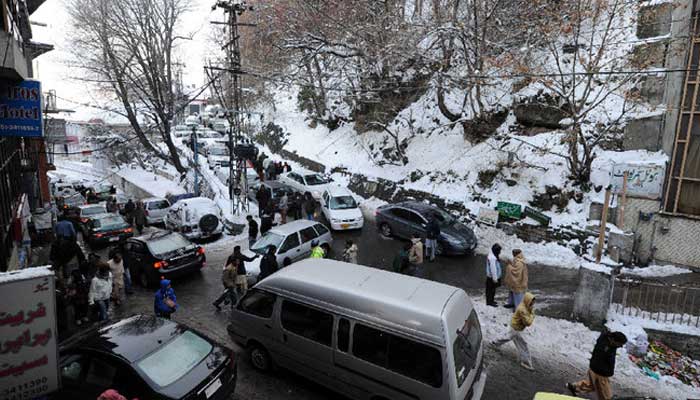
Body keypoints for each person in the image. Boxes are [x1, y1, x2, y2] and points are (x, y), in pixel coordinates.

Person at [567, 329, 628, 400]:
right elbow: (600, 360)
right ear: (613, 340)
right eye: (620, 344)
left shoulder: (608, 343)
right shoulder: (605, 347)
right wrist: (607, 372)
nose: (620, 346)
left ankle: (575, 387)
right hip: (600, 373)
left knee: (591, 385)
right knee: (606, 395)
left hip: (593, 368)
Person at [493, 292, 536, 370]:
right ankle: (526, 362)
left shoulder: (526, 306)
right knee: (523, 344)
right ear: (528, 300)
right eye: (532, 301)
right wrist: (532, 315)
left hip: (516, 327)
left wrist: (531, 312)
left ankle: (494, 343)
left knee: (508, 337)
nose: (533, 303)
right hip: (517, 329)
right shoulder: (522, 309)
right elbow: (528, 322)